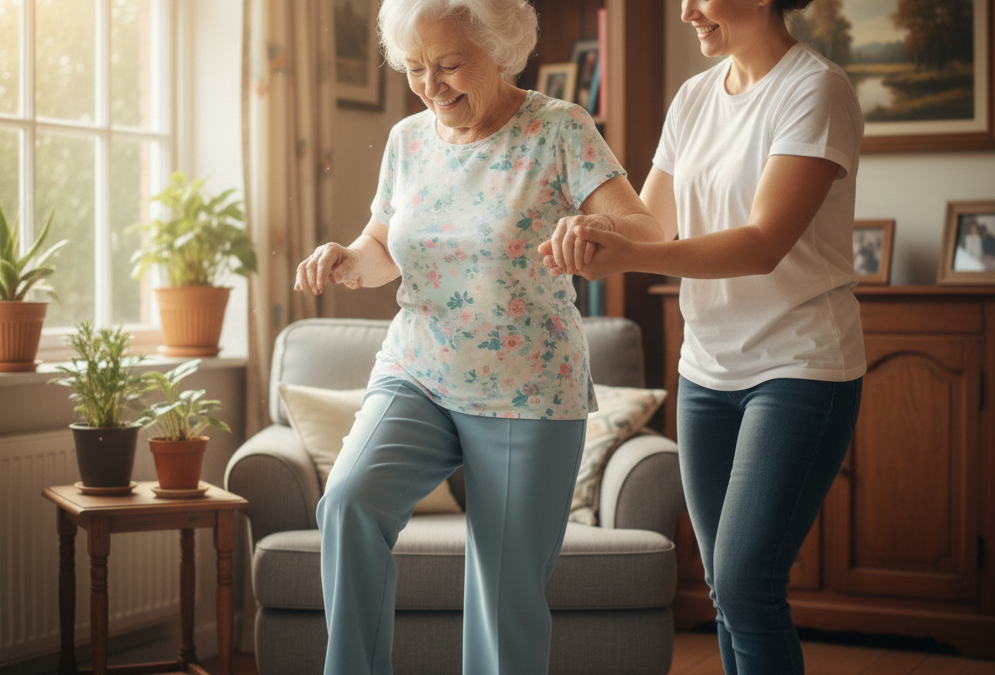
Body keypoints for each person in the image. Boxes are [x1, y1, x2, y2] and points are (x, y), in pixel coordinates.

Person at [293, 0, 662, 672]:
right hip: (418, 369)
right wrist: (346, 258)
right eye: (415, 68)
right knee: (348, 501)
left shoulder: (559, 128)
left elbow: (647, 229)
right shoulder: (408, 140)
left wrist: (595, 229)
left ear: (499, 49)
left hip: (527, 386)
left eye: (448, 64)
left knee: (503, 592)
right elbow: (383, 245)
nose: (430, 85)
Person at [541, 1, 866, 673]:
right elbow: (654, 223)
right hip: (706, 370)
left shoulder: (816, 89)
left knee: (747, 585)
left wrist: (629, 255)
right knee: (726, 590)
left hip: (799, 367)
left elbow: (763, 244)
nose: (686, 10)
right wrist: (595, 227)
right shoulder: (693, 97)